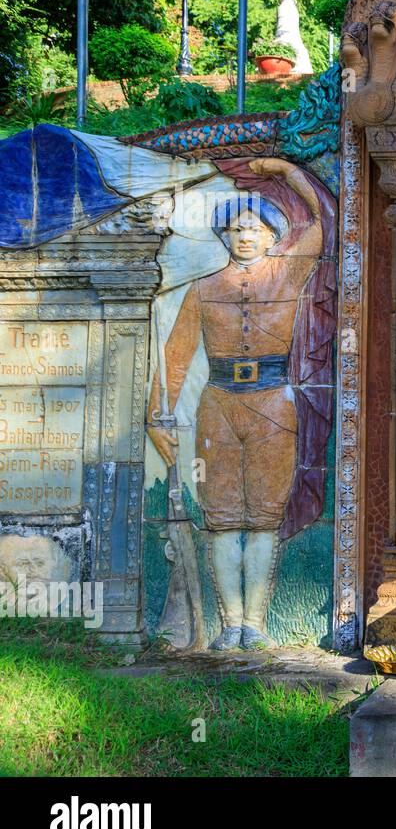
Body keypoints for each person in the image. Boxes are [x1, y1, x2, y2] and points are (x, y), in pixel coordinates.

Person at [147, 157, 326, 650]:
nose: (245, 236)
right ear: (224, 238)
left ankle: (256, 623)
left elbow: (319, 221)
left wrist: (287, 173)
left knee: (264, 515)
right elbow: (175, 355)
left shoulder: (289, 276)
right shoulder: (205, 289)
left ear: (272, 236)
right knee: (223, 517)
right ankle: (229, 625)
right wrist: (157, 417)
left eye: (255, 227)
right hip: (218, 407)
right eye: (235, 228)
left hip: (273, 404)